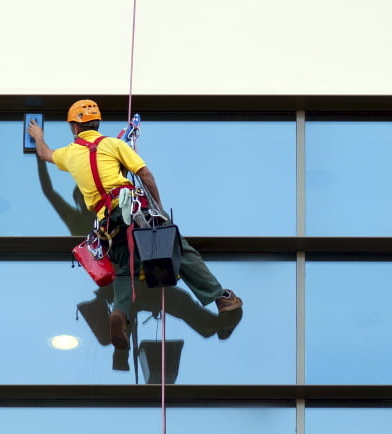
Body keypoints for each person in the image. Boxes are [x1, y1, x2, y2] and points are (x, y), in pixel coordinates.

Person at [26, 99, 242, 349]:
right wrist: (158, 208)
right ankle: (221, 298)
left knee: (124, 268)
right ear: (97, 123)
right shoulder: (113, 144)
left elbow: (44, 155)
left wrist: (38, 136)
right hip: (135, 209)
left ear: (75, 128)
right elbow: (145, 174)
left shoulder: (69, 153)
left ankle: (122, 315)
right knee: (177, 250)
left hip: (107, 222)